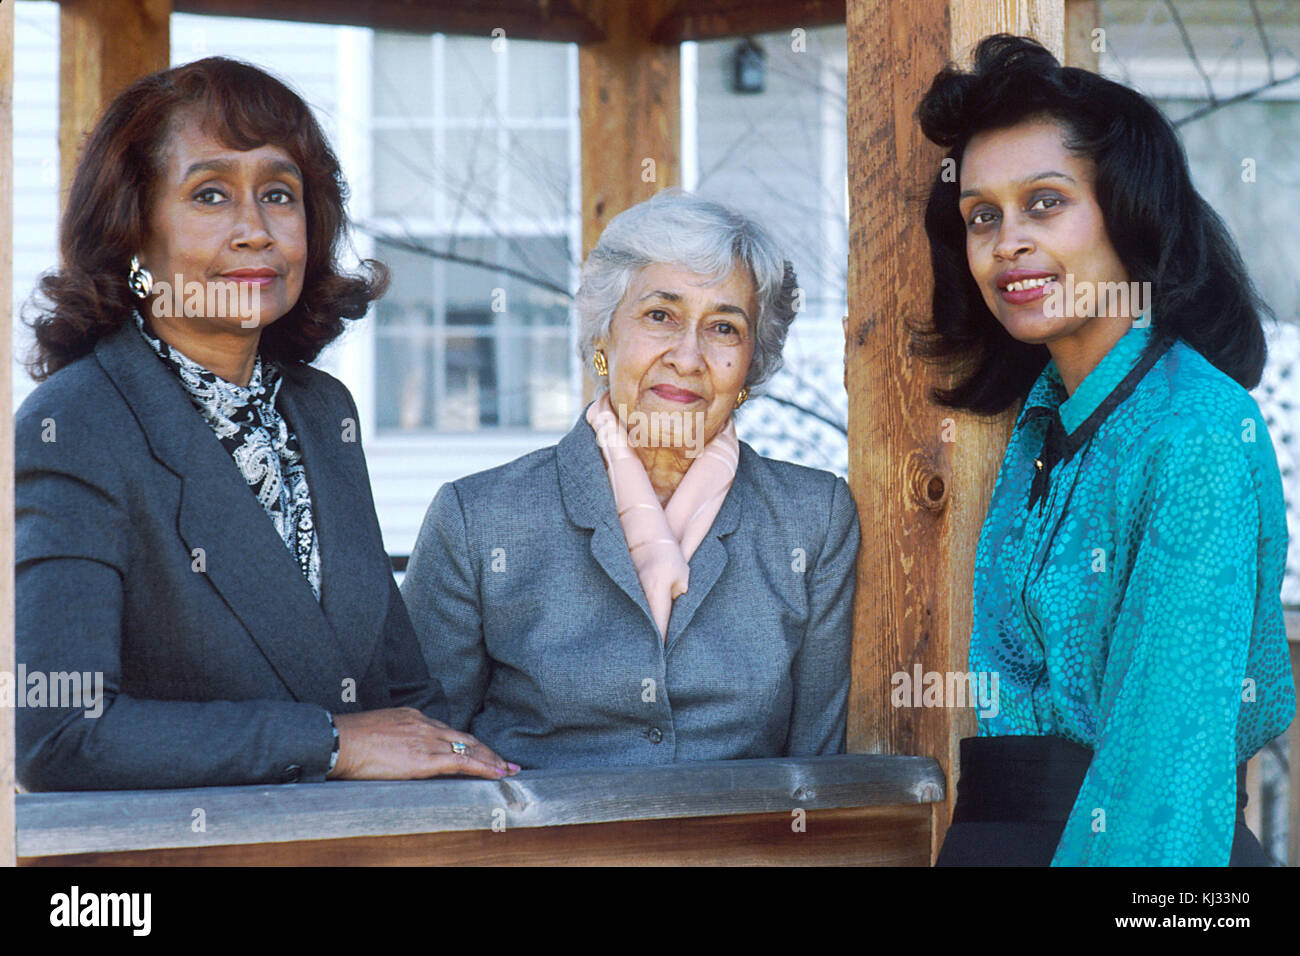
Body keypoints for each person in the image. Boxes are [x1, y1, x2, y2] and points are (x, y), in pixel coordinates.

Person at [16, 57, 517, 790]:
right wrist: (329, 743)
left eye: (279, 194)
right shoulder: (74, 427)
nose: (255, 230)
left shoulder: (321, 412)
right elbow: (60, 733)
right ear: (131, 231)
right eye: (211, 194)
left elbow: (403, 697)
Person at [914, 35, 1295, 865]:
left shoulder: (1196, 432)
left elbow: (1167, 762)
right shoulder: (1044, 419)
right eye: (982, 214)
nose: (1006, 240)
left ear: (1126, 209)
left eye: (1044, 202)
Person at [400, 189, 859, 769]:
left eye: (724, 328)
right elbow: (427, 756)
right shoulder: (478, 518)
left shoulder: (812, 518)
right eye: (660, 316)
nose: (687, 357)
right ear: (602, 337)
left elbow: (818, 765)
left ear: (751, 365)